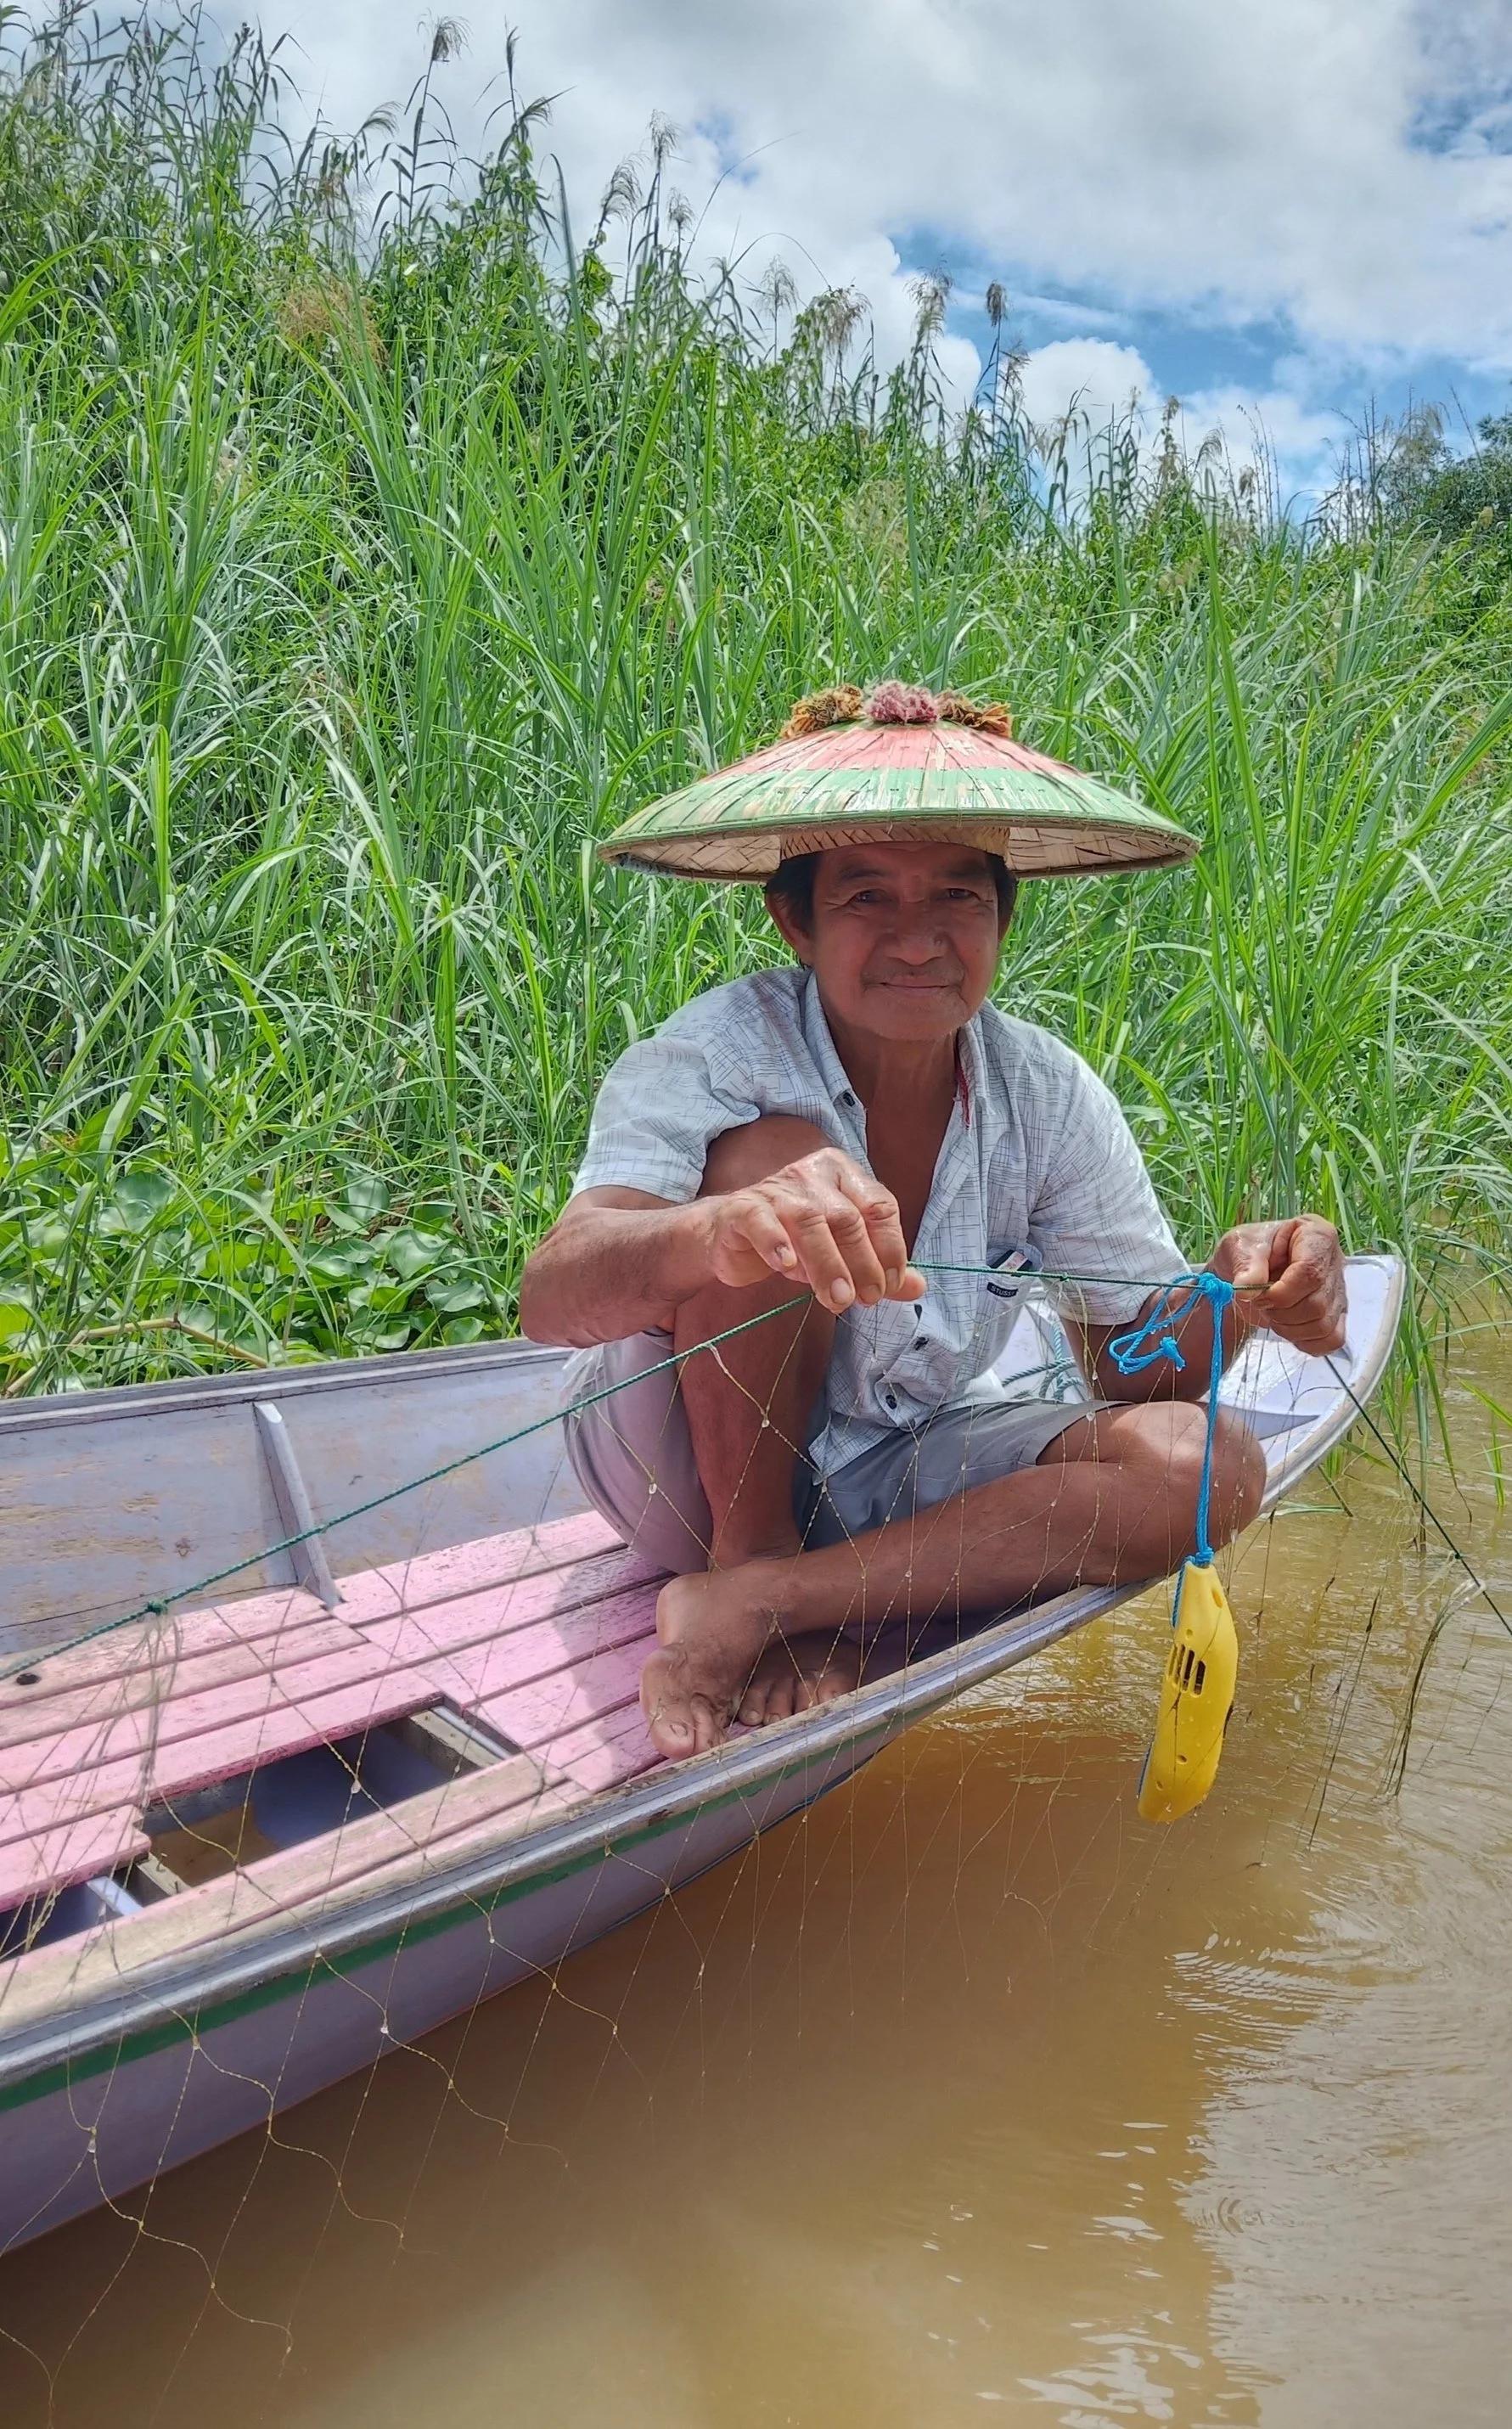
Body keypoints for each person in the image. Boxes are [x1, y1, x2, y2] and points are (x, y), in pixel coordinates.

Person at [520, 689, 1347, 1762]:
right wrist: (717, 1232)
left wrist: (1239, 1294)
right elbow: (553, 1294)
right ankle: (746, 1556)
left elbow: (1134, 1369)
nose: (918, 939)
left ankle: (771, 1600)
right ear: (795, 919)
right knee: (777, 1169)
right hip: (672, 1462)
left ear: (1001, 918)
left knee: (1210, 1465)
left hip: (899, 1457)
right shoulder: (716, 1051)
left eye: (956, 895)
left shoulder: (1043, 1093)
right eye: (867, 896)